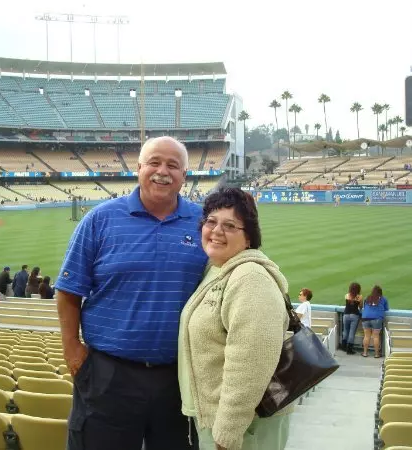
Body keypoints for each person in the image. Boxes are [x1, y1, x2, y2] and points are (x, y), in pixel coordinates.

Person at [55, 137, 208, 450]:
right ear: (138, 168)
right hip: (108, 375)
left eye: (172, 165)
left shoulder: (205, 223)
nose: (162, 171)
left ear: (184, 176)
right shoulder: (99, 219)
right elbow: (69, 290)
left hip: (180, 378)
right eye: (154, 162)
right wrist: (72, 348)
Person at [179, 187, 291, 450]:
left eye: (230, 225)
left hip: (245, 429)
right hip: (218, 420)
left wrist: (227, 434)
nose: (217, 231)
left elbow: (250, 363)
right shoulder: (216, 269)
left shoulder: (250, 278)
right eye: (211, 222)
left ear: (249, 237)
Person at [361, 285, 389, 358]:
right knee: (376, 336)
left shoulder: (367, 297)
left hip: (365, 318)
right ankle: (376, 354)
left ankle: (365, 353)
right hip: (377, 319)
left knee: (366, 336)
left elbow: (365, 307)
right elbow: (386, 309)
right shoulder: (383, 299)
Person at [342, 282, 363, 355]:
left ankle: (344, 346)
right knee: (352, 332)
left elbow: (347, 304)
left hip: (346, 314)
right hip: (355, 315)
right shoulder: (359, 297)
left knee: (345, 330)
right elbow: (360, 307)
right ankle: (349, 349)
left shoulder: (347, 295)